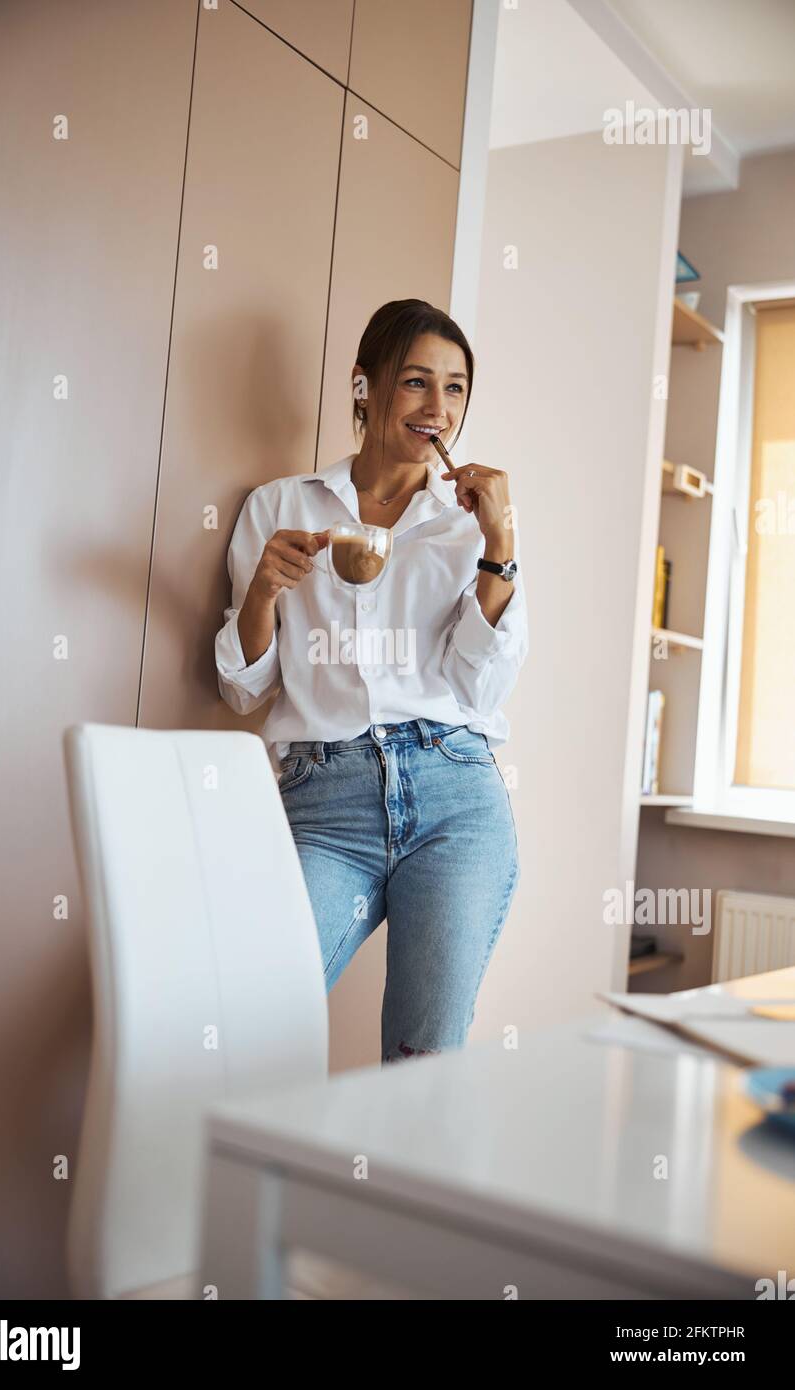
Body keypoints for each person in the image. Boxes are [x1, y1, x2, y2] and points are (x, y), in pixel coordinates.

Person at [214, 299, 528, 1064]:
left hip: (454, 792)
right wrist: (263, 592)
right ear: (364, 386)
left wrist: (500, 546)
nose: (437, 408)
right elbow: (245, 691)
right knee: (242, 1023)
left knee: (421, 1065)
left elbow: (479, 688)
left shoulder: (469, 525)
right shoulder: (282, 507)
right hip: (327, 801)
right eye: (416, 382)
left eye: (455, 389)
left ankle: (398, 1184)